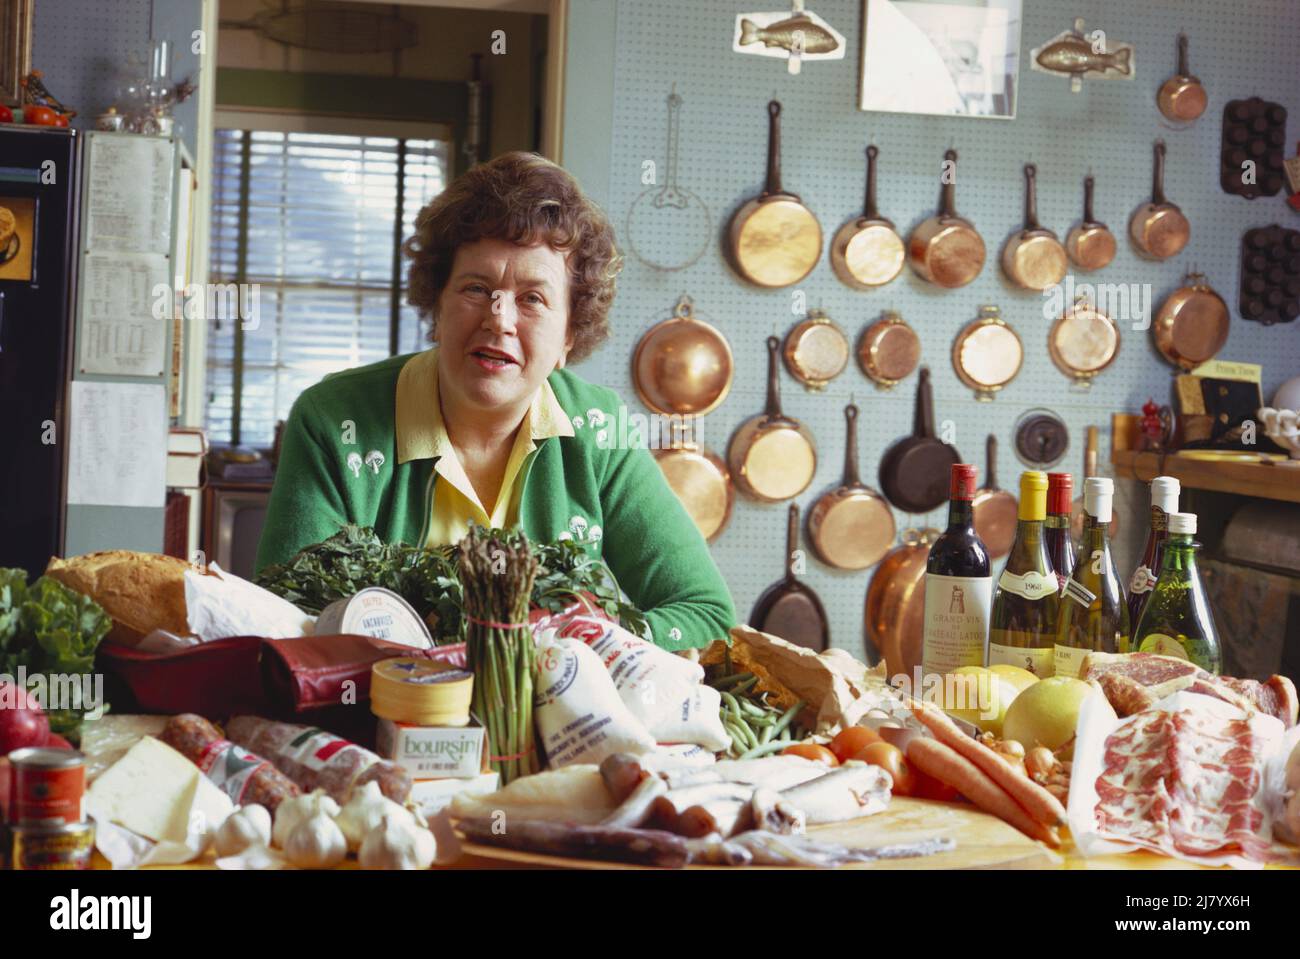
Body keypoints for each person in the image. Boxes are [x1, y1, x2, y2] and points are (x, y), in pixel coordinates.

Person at [255, 151, 735, 651]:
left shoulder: (601, 430)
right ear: (437, 306)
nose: (499, 319)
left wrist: (589, 641)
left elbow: (706, 614)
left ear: (570, 334)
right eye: (476, 288)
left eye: (532, 298)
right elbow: (285, 616)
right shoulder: (335, 420)